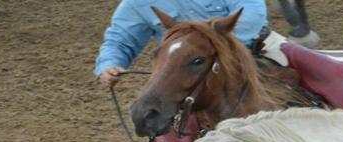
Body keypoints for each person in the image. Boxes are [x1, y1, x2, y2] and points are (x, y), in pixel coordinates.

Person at [95, 0, 268, 89]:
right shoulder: (137, 3)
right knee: (156, 112)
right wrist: (109, 65)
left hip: (254, 49)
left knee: (295, 59)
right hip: (188, 68)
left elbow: (252, 13)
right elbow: (120, 39)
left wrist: (220, 44)